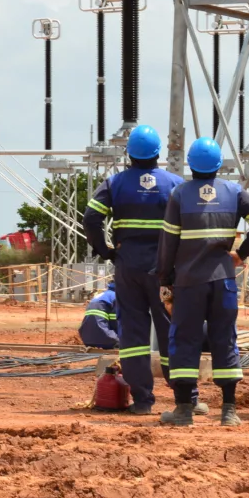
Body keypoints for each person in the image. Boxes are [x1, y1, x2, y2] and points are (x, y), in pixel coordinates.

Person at [156, 136, 249, 427]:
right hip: (223, 281)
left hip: (189, 282)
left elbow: (168, 243)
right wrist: (240, 254)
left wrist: (165, 277)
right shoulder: (233, 192)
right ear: (219, 165)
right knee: (224, 339)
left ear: (190, 165)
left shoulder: (180, 195)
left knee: (184, 341)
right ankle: (229, 411)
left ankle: (183, 411)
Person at [82, 123, 185, 414]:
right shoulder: (174, 184)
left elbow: (91, 218)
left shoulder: (115, 184)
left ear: (129, 154)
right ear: (158, 154)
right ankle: (183, 398)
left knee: (133, 335)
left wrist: (106, 251)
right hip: (165, 269)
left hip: (128, 267)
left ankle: (142, 401)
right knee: (172, 330)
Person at [79, 281, 119, 349]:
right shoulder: (116, 297)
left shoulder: (101, 295)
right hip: (105, 338)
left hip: (86, 338)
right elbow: (117, 323)